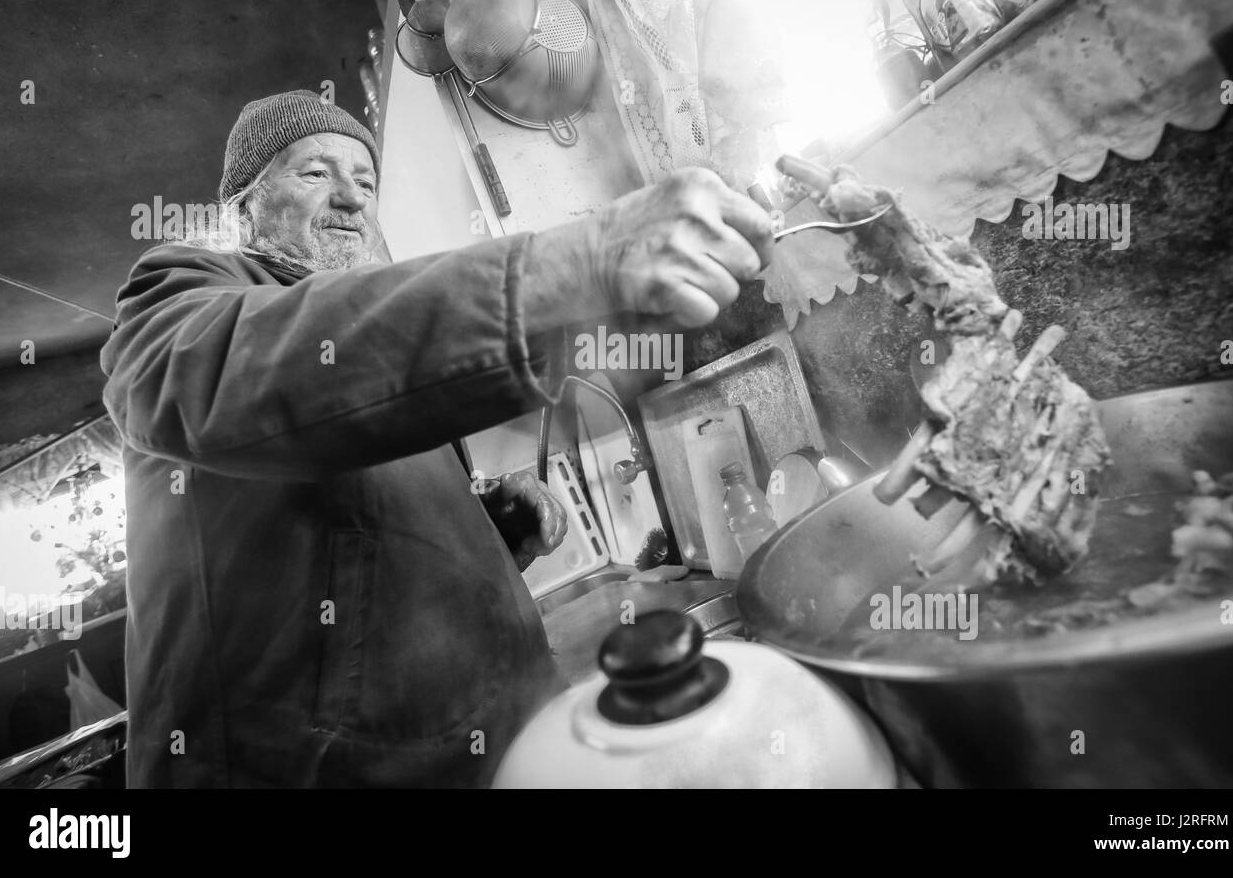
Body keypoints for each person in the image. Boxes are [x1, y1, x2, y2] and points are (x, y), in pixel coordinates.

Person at [100, 90, 772, 787]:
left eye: (365, 181)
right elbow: (223, 382)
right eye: (314, 173)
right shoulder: (183, 293)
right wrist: (575, 264)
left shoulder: (369, 339)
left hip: (493, 746)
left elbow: (356, 531)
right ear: (243, 206)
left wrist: (483, 525)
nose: (353, 199)